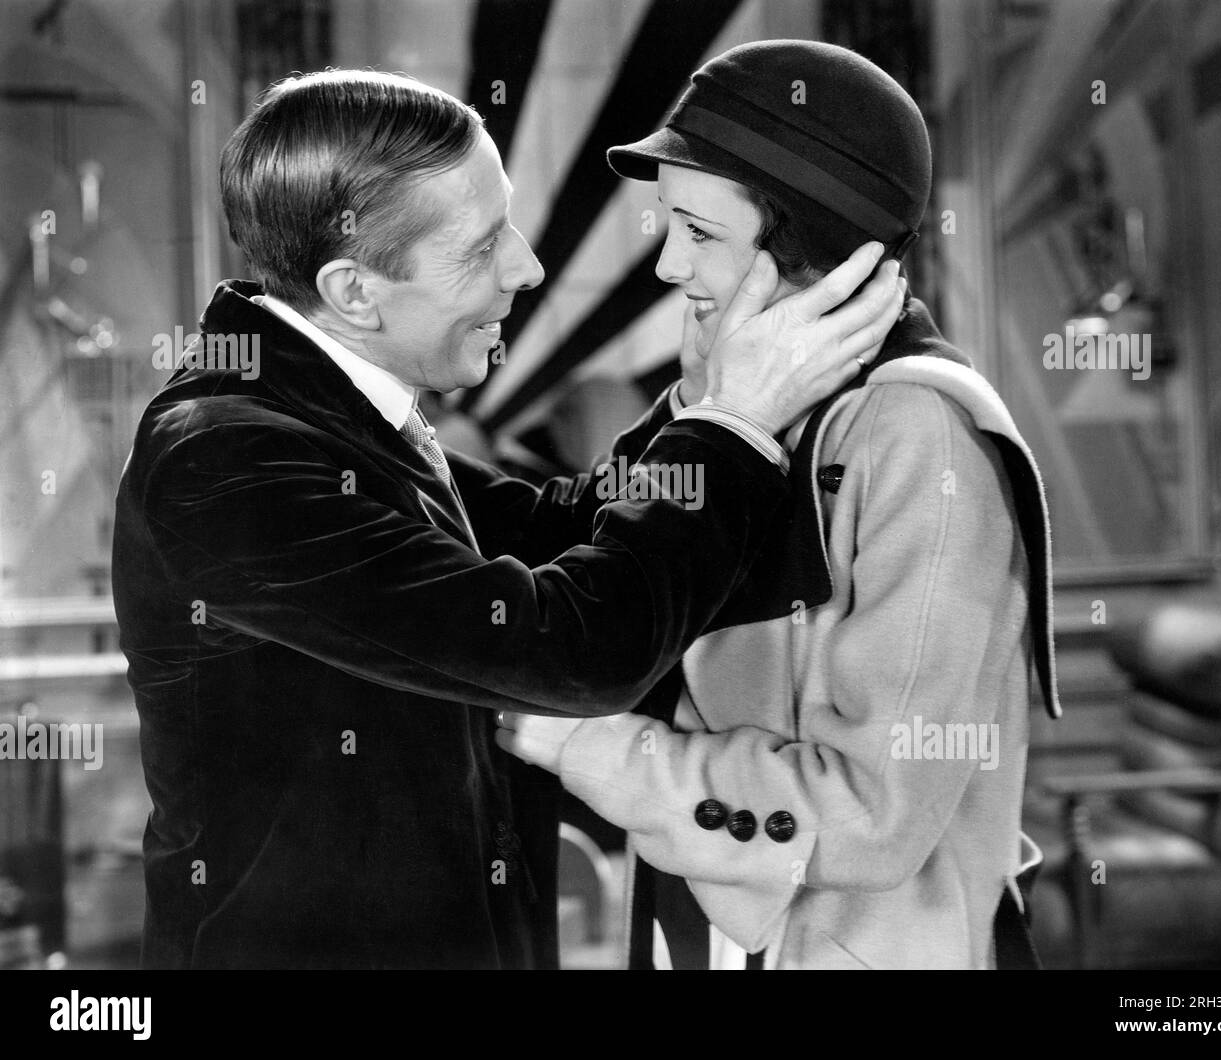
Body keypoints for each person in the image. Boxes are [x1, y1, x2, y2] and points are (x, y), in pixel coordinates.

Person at [110, 69, 907, 969]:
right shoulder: (223, 461)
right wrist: (732, 426)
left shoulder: (328, 411)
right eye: (482, 245)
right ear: (354, 292)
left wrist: (703, 402)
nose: (527, 267)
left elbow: (556, 528)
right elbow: (572, 648)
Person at [498, 40, 1060, 969]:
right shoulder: (737, 405)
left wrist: (588, 746)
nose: (669, 266)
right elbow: (608, 561)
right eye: (670, 229)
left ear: (807, 245)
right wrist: (705, 413)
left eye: (702, 234)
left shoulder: (919, 432)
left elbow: (873, 813)